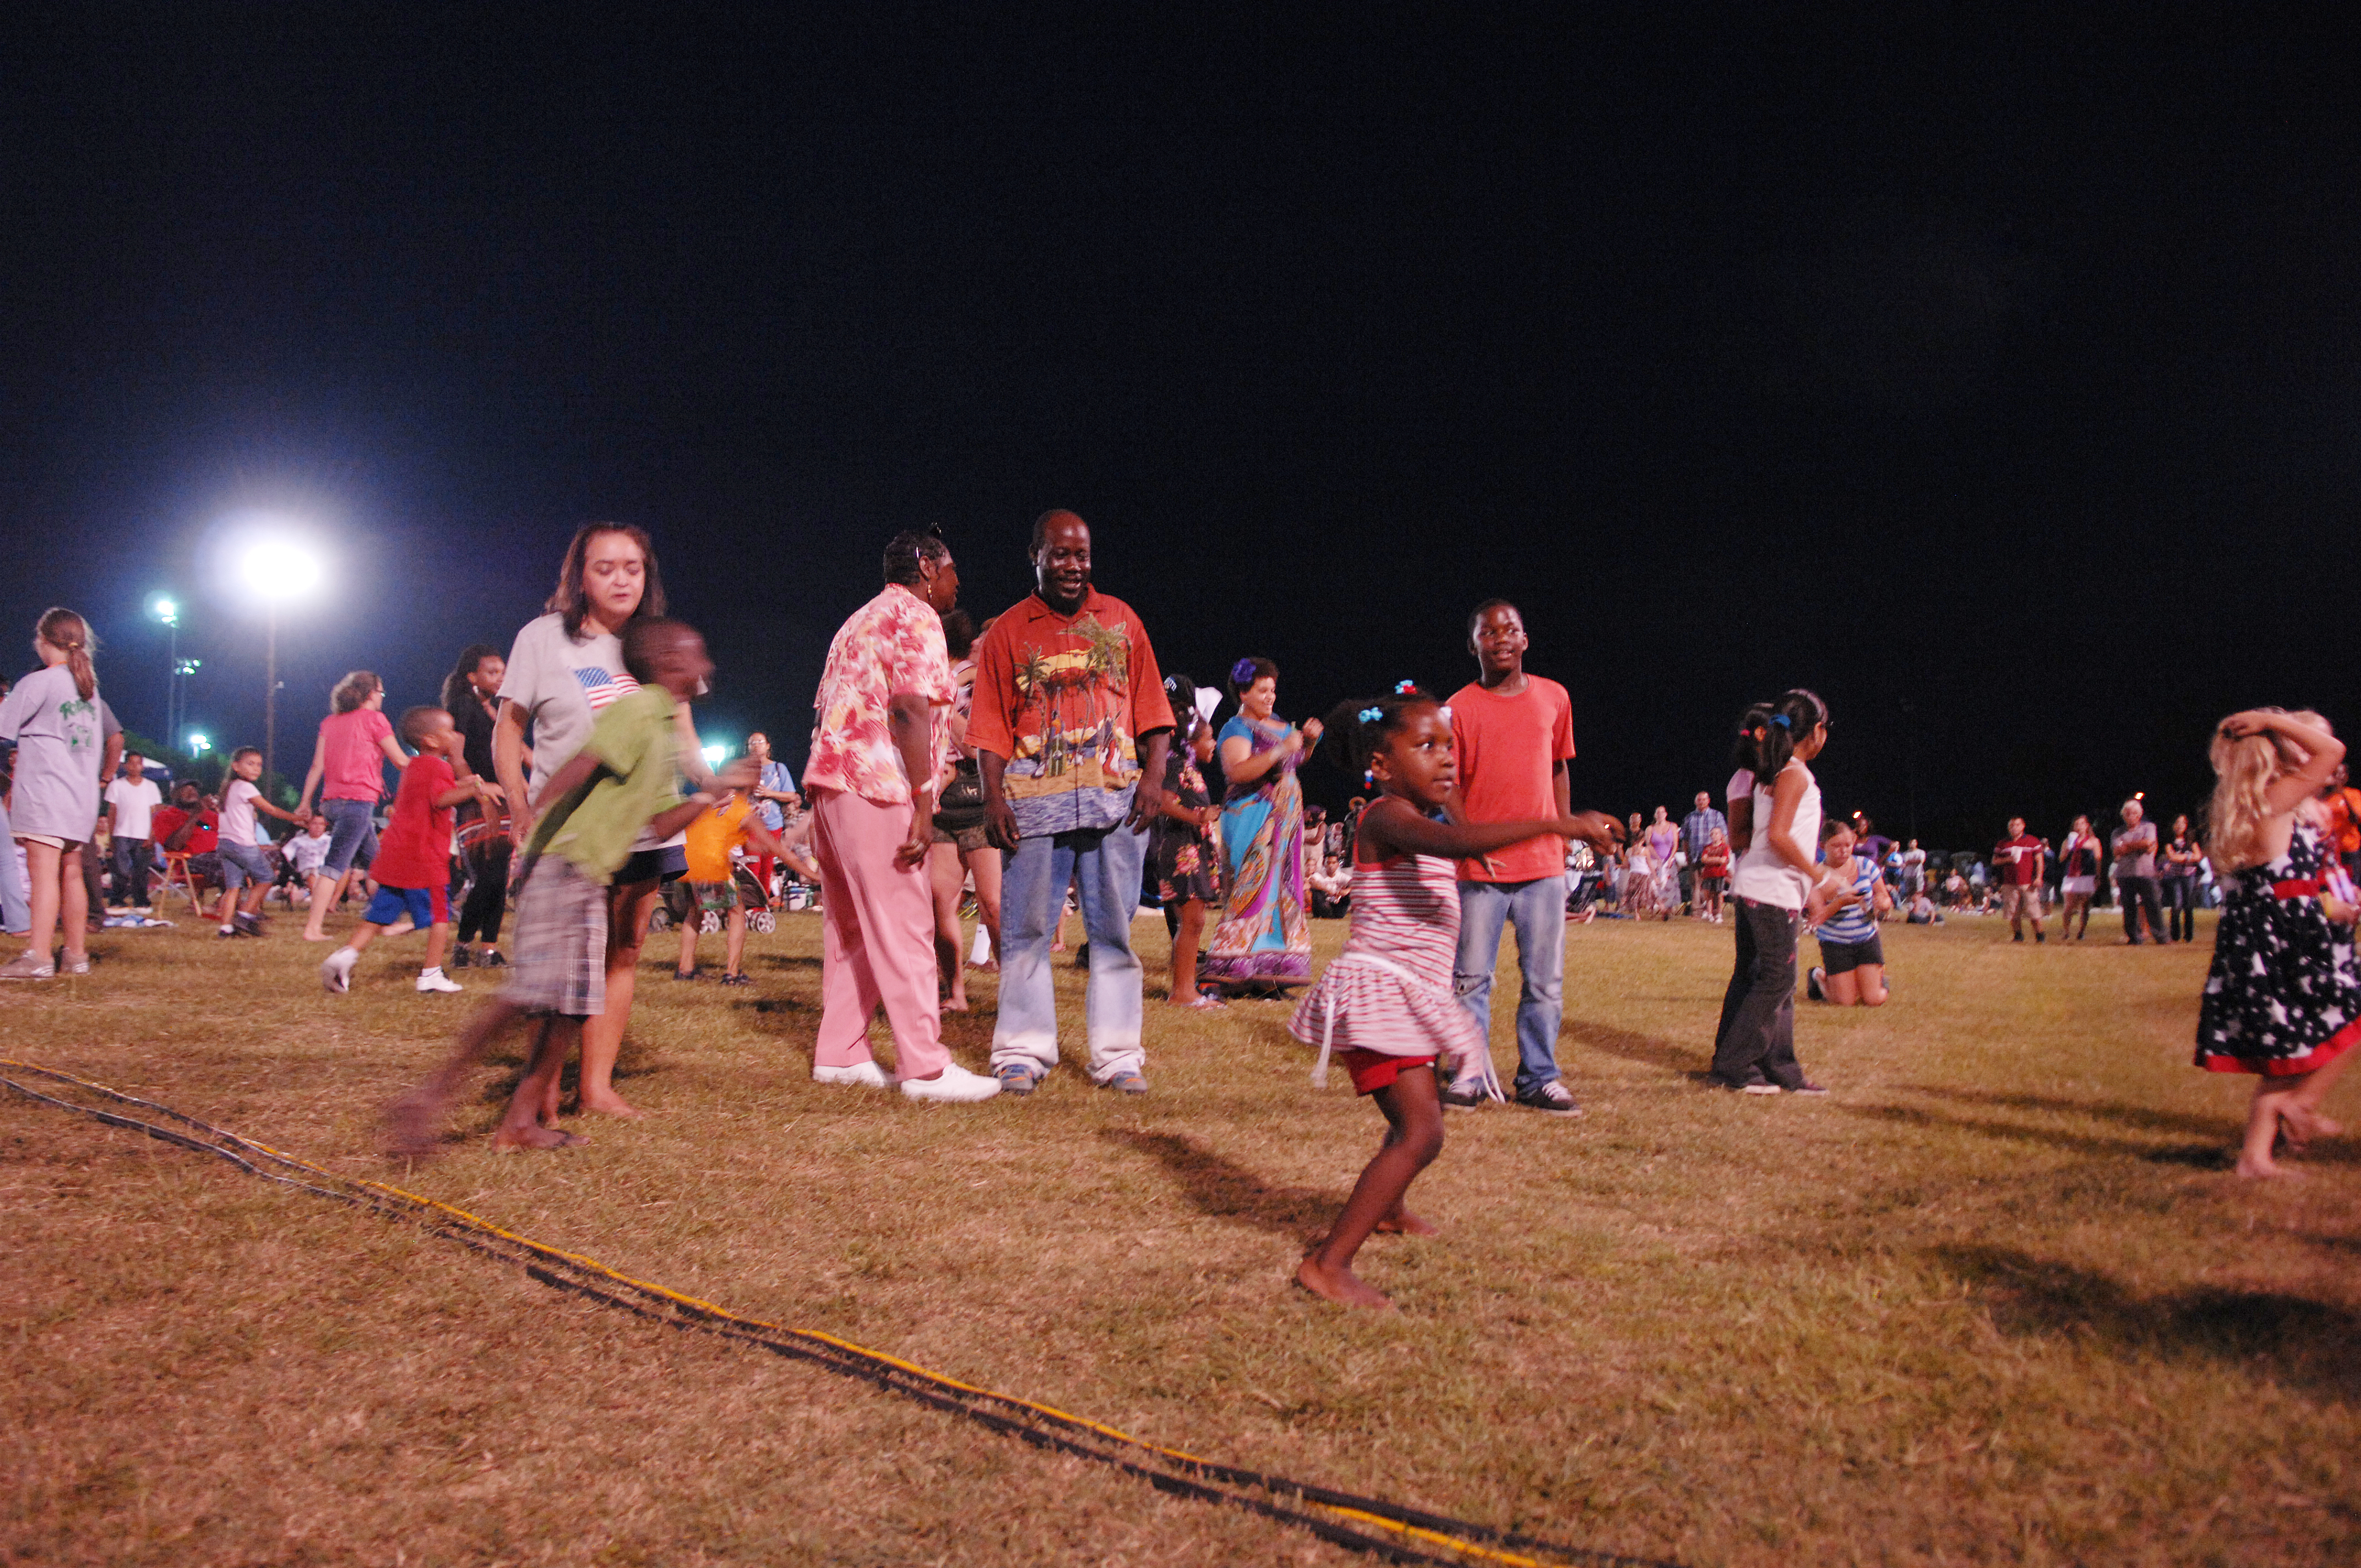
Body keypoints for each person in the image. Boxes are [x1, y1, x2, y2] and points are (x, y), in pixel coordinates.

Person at [1288, 687, 1614, 1308]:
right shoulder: (1385, 817)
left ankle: (1390, 1209)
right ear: (1381, 765)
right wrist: (1555, 821)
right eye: (1427, 746)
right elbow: (1460, 845)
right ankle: (1329, 1263)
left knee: (1408, 1121)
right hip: (1380, 998)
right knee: (1422, 1132)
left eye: (1449, 746)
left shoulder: (1418, 818)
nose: (1445, 760)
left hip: (1410, 1000)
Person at [388, 619, 753, 1153]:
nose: (708, 664)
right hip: (566, 860)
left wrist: (712, 791)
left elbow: (661, 824)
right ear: (670, 664)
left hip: (589, 869)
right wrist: (532, 826)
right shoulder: (637, 709)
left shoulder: (661, 729)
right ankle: (426, 1100)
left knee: (574, 1005)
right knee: (527, 998)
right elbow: (580, 768)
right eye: (697, 654)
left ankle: (517, 1124)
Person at [494, 522, 708, 1122]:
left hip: (646, 825)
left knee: (624, 950)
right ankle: (540, 1089)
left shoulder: (657, 644)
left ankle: (596, 1085)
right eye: (604, 567)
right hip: (571, 831)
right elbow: (508, 727)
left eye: (632, 568)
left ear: (648, 575)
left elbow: (684, 735)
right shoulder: (543, 638)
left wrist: (715, 784)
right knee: (566, 957)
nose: (620, 579)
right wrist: (518, 806)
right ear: (579, 576)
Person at [971, 509, 1176, 1096]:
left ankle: (1117, 1055)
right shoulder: (1009, 631)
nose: (1072, 566)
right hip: (1033, 806)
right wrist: (992, 799)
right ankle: (1021, 1051)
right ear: (1034, 556)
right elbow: (988, 727)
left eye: (1081, 554)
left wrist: (1154, 779)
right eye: (1059, 554)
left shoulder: (1121, 621)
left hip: (1114, 804)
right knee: (1026, 931)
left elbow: (1153, 712)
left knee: (1112, 933)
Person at [804, 529, 999, 1101]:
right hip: (877, 787)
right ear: (925, 567)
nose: (957, 583)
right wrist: (921, 799)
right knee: (906, 925)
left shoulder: (855, 621)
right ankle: (926, 1067)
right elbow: (910, 708)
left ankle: (840, 1052)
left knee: (851, 929)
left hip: (829, 784)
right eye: (951, 570)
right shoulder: (915, 616)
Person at [2194, 709, 2358, 1179]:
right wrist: (2268, 718)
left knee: (2288, 1046)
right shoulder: (2275, 800)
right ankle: (2299, 1108)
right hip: (2286, 937)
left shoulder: (2248, 804)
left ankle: (2256, 1156)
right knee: (2343, 1014)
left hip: (2269, 937)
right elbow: (2334, 752)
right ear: (2276, 754)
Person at [1443, 601, 1589, 1116]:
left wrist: (1566, 833)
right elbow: (1448, 786)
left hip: (1542, 866)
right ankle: (1468, 1072)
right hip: (1481, 868)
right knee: (1471, 978)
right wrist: (1471, 843)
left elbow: (1558, 770)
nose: (1501, 638)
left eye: (1511, 630)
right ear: (1473, 644)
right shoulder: (1457, 708)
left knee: (1545, 980)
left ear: (1526, 639)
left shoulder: (1555, 697)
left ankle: (1540, 1076)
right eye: (1489, 632)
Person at [322, 707, 502, 994]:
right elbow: (441, 799)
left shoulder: (416, 767)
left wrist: (466, 784)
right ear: (431, 741)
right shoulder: (439, 766)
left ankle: (343, 957)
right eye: (449, 730)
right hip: (423, 856)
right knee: (440, 916)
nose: (456, 736)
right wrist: (474, 789)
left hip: (398, 854)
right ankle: (431, 974)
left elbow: (433, 792)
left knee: (378, 915)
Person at [1710, 690, 1837, 1095]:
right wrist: (1819, 875)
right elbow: (1779, 836)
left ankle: (1782, 1067)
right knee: (1778, 980)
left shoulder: (1778, 773)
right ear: (1816, 732)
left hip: (1761, 889)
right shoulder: (1794, 774)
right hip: (1769, 892)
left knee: (1773, 982)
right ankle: (1734, 1065)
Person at [0, 610, 122, 979]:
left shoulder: (40, 682)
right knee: (72, 873)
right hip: (80, 797)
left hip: (45, 792)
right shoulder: (87, 689)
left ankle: (37, 956)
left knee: (43, 876)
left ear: (43, 639)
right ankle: (76, 955)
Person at [1203, 657, 1319, 993]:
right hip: (1252, 818)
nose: (1271, 697)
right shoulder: (1235, 728)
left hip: (1286, 822)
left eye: (1273, 690)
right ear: (1244, 693)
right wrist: (1283, 747)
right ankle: (1233, 966)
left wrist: (1307, 743)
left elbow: (1295, 761)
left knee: (1282, 891)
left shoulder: (1281, 723)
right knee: (1250, 889)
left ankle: (1271, 971)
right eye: (1263, 690)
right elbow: (1237, 771)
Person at [293, 671, 410, 941]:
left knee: (379, 864)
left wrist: (304, 803)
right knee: (335, 866)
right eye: (381, 692)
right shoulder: (375, 720)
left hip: (332, 802)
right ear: (371, 693)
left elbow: (317, 766)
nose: (382, 697)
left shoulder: (330, 722)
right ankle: (313, 929)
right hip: (357, 801)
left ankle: (385, 923)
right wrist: (435, 766)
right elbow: (401, 762)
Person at [926, 608, 1000, 1011]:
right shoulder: (934, 678)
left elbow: (975, 745)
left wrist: (945, 713)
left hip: (977, 797)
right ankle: (955, 992)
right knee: (941, 901)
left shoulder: (979, 681)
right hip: (943, 800)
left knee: (993, 905)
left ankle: (1016, 992)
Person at [672, 782, 806, 986]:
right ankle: (732, 974)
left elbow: (746, 842)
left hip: (688, 861)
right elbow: (769, 846)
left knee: (694, 912)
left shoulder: (712, 798)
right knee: (737, 913)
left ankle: (685, 969)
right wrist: (809, 872)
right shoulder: (742, 808)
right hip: (712, 865)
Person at [1150, 677, 1224, 1009]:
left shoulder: (1188, 766)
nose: (1215, 743)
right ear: (1192, 743)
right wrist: (1198, 817)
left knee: (1193, 922)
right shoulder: (1175, 764)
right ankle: (1183, 992)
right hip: (1181, 850)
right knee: (1190, 922)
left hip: (1193, 849)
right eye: (1210, 738)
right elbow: (1163, 802)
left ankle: (1186, 989)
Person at [441, 644, 516, 970]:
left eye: (502, 671)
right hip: (476, 800)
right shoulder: (462, 706)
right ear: (472, 676)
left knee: (500, 876)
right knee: (486, 876)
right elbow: (455, 755)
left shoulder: (498, 709)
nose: (500, 678)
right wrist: (480, 790)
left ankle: (488, 948)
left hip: (503, 798)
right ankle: (461, 946)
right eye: (492, 672)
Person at [213, 746, 303, 937]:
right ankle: (244, 916)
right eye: (250, 764)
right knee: (267, 878)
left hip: (225, 842)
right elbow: (271, 810)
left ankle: (226, 928)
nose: (256, 769)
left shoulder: (228, 787)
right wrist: (297, 818)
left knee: (233, 887)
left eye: (259, 765)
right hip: (242, 844)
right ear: (236, 766)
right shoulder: (245, 787)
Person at [1804, 818, 1889, 1006]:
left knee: (1874, 999)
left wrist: (1882, 902)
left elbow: (1884, 897)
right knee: (1845, 1001)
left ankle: (1873, 981)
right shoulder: (1818, 875)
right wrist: (1841, 902)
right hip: (1835, 943)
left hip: (1866, 939)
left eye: (1848, 845)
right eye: (1836, 846)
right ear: (1822, 846)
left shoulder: (1866, 866)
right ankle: (1818, 976)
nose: (1843, 850)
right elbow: (1817, 917)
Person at [102, 752, 163, 913]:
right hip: (122, 833)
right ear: (125, 765)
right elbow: (112, 811)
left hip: (143, 834)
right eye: (131, 763)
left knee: (141, 871)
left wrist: (152, 835)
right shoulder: (117, 785)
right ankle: (118, 900)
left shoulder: (151, 786)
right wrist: (112, 836)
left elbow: (155, 813)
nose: (135, 767)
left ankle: (141, 901)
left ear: (143, 766)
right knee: (120, 870)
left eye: (138, 763)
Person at [2112, 799, 2166, 945]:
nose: (2131, 816)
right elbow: (2117, 850)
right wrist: (2141, 845)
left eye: (2135, 813)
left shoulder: (2149, 827)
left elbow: (2149, 843)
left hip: (2146, 873)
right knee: (2129, 908)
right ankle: (2134, 938)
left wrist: (2128, 847)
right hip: (2125, 874)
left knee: (2153, 905)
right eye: (2128, 813)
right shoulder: (2117, 832)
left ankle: (2162, 937)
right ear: (2124, 815)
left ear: (2140, 814)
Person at [1993, 816, 2048, 944]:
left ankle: (2040, 936)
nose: (2014, 828)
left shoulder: (2032, 841)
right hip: (2010, 882)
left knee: (2033, 911)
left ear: (2023, 826)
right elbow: (1995, 861)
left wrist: (2039, 877)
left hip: (2028, 882)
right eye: (2012, 826)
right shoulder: (2003, 844)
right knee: (2013, 912)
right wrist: (2008, 860)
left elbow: (2040, 861)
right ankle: (2018, 936)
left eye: (2017, 825)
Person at [1680, 791, 1727, 917]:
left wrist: (1723, 854)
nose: (1701, 802)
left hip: (1714, 858)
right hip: (1695, 856)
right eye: (1699, 800)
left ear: (1708, 801)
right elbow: (1685, 839)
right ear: (1696, 802)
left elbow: (1724, 836)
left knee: (1714, 886)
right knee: (1696, 884)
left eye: (1704, 800)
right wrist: (1687, 855)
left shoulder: (1716, 815)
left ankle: (1716, 912)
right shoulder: (1690, 817)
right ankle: (1696, 912)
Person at [2161, 813, 2204, 943]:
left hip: (2189, 877)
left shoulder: (2192, 842)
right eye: (2177, 823)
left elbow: (2199, 856)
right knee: (2176, 905)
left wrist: (2183, 858)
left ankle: (2189, 935)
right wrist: (2189, 857)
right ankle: (2175, 935)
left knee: (2189, 906)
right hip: (2175, 878)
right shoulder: (2169, 842)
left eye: (2183, 823)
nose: (2180, 826)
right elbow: (2172, 857)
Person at [2058, 816, 2103, 939]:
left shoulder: (2094, 841)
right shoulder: (2068, 841)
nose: (2079, 826)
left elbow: (2098, 860)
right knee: (2068, 906)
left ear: (2087, 825)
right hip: (2071, 875)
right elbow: (2061, 859)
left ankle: (2081, 931)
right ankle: (2066, 931)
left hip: (2087, 875)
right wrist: (2068, 849)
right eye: (2077, 824)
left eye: (2082, 824)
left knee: (2085, 905)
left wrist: (2098, 877)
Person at [1695, 826, 1731, 922]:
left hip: (1719, 874)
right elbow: (1704, 859)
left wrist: (1711, 860)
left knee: (1719, 894)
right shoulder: (1708, 848)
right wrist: (1717, 859)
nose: (1714, 836)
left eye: (1717, 834)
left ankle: (1719, 915)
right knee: (1708, 894)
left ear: (1721, 836)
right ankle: (1710, 914)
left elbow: (1724, 860)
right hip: (1708, 874)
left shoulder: (1725, 847)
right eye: (1712, 834)